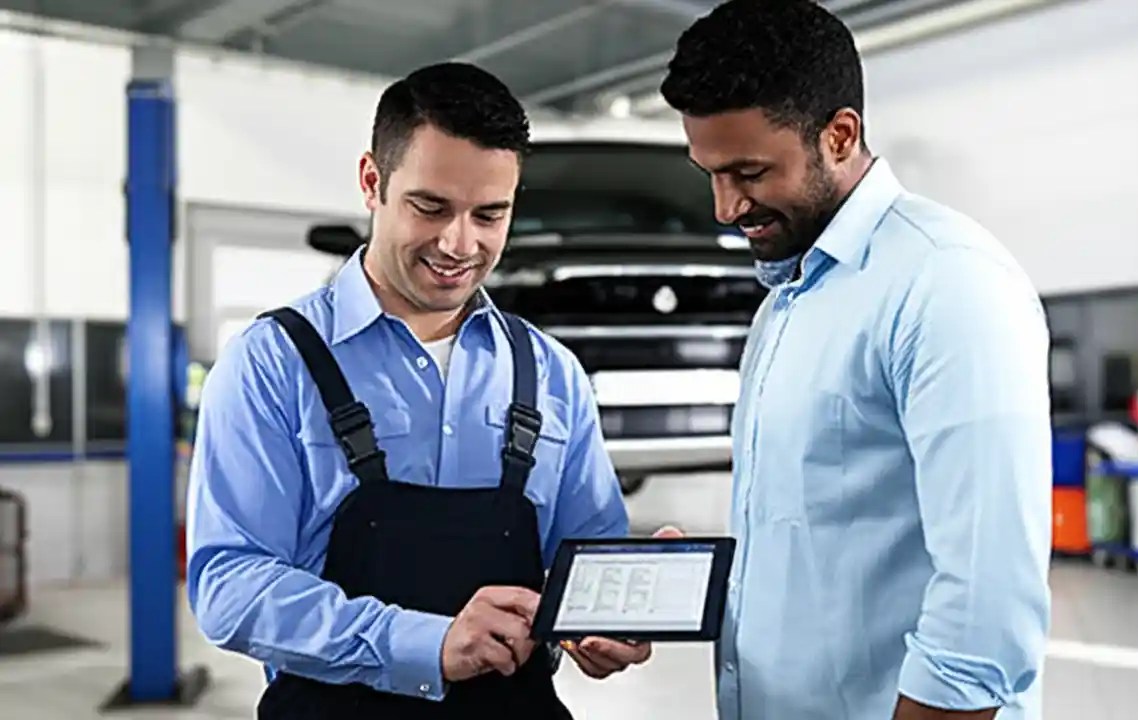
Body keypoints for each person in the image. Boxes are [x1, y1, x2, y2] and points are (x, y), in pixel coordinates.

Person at [185, 62, 653, 719]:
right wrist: (427, 643)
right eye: (430, 207)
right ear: (372, 183)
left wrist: (609, 615)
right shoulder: (271, 365)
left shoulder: (552, 374)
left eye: (490, 214)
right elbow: (229, 585)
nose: (460, 243)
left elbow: (584, 559)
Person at [658, 2, 1053, 719]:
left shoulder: (947, 284)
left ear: (840, 135)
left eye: (748, 171)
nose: (724, 207)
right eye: (709, 172)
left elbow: (987, 603)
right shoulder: (787, 299)